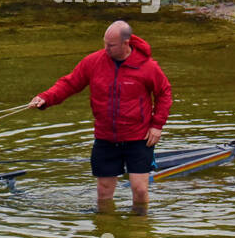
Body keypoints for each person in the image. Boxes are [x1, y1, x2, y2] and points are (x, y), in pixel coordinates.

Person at [29, 20, 172, 213]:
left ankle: (139, 234)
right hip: (105, 137)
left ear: (126, 42)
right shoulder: (93, 62)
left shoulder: (147, 67)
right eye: (104, 43)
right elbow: (70, 84)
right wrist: (45, 98)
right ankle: (106, 229)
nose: (106, 49)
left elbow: (164, 93)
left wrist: (157, 125)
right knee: (103, 192)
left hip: (138, 138)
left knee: (139, 190)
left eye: (111, 45)